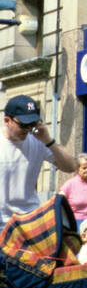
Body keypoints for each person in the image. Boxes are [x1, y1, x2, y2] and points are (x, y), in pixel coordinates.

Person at [0, 95, 76, 224]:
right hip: (3, 224)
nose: (28, 129)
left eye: (32, 124)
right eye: (23, 125)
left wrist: (48, 141)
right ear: (7, 120)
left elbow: (71, 166)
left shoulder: (38, 141)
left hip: (31, 221)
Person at [60, 154, 87, 223]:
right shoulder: (70, 184)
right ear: (77, 169)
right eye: (84, 168)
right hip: (75, 222)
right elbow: (59, 202)